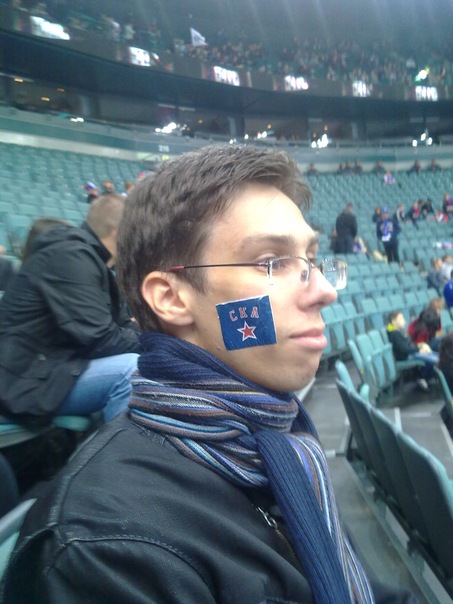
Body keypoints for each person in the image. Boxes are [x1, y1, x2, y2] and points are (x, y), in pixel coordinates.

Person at [1, 145, 415, 603]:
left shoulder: (287, 446)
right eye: (271, 262)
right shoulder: (104, 551)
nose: (323, 290)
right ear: (172, 298)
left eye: (312, 259)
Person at [0, 195, 142, 427]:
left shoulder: (91, 261)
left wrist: (160, 339)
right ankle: (118, 450)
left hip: (54, 367)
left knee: (148, 360)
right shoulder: (70, 256)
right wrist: (155, 342)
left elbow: (121, 324)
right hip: (24, 380)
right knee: (131, 370)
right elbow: (100, 338)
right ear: (119, 232)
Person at [386, 311, 438, 390]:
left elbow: (409, 344)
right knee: (435, 359)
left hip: (411, 353)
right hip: (406, 356)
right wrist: (418, 350)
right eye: (400, 319)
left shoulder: (400, 331)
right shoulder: (394, 334)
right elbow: (404, 349)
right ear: (393, 321)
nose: (404, 321)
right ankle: (422, 376)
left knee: (434, 354)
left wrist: (419, 347)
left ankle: (423, 376)